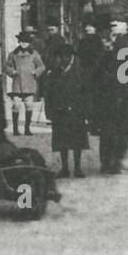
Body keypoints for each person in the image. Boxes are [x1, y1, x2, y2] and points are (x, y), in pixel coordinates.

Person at [86, 18, 128, 173]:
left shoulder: (124, 53)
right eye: (112, 36)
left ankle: (114, 162)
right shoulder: (103, 55)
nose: (113, 39)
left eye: (116, 36)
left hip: (121, 99)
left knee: (119, 132)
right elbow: (94, 77)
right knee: (108, 132)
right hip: (107, 99)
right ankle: (107, 163)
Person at [45, 42, 88, 177]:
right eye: (60, 56)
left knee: (77, 141)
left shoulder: (79, 73)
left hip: (76, 112)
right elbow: (49, 94)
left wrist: (86, 112)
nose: (62, 59)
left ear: (71, 57)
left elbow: (86, 94)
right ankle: (64, 168)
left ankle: (77, 167)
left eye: (66, 56)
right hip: (59, 112)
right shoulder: (53, 74)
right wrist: (49, 111)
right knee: (61, 140)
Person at [3, 30, 46, 136]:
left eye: (26, 42)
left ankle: (27, 128)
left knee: (29, 105)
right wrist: (13, 72)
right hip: (17, 84)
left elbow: (41, 66)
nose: (23, 43)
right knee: (16, 105)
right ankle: (15, 129)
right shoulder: (13, 54)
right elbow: (7, 66)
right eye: (21, 41)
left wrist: (35, 72)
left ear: (29, 43)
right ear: (18, 41)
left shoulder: (34, 54)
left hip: (29, 83)